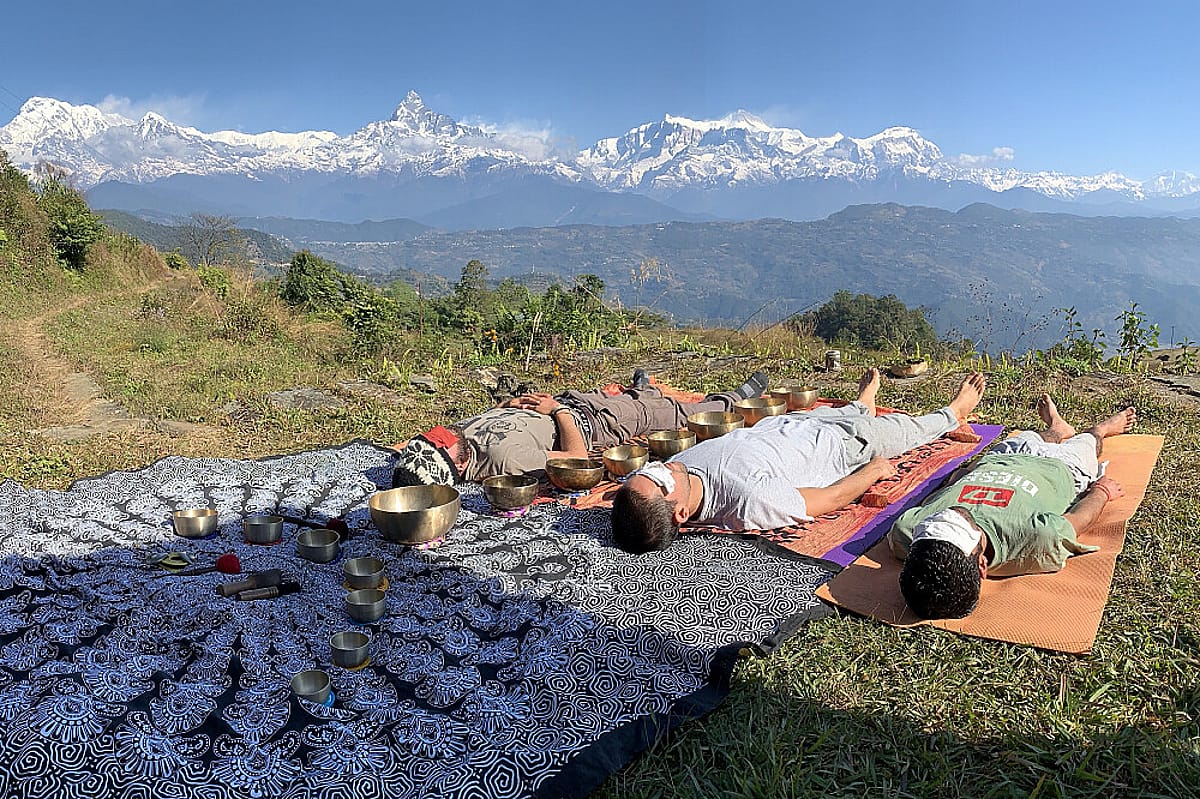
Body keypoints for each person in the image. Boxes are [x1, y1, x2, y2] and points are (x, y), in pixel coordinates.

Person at [612, 369, 987, 553]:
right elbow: (826, 500)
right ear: (679, 513)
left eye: (647, 471)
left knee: (846, 412)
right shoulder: (748, 501)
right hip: (844, 447)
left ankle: (861, 405)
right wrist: (871, 472)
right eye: (659, 481)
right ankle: (955, 411)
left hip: (794, 425)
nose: (659, 468)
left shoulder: (680, 469)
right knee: (906, 430)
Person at [888, 395, 1136, 619]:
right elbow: (1078, 519)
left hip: (999, 459)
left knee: (1033, 436)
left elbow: (945, 490)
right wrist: (1101, 491)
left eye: (937, 525)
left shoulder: (907, 531)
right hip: (1060, 468)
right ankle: (1101, 429)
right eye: (958, 527)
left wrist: (966, 473)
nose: (949, 514)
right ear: (982, 565)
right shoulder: (1035, 540)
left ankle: (1056, 429)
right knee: (1087, 442)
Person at [391, 369, 770, 486]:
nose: (447, 435)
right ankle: (729, 401)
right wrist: (558, 412)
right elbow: (574, 455)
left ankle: (642, 391)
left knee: (639, 400)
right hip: (590, 423)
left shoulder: (458, 439)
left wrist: (508, 404)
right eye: (443, 444)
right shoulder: (505, 462)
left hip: (570, 401)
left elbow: (491, 421)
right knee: (665, 413)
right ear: (456, 467)